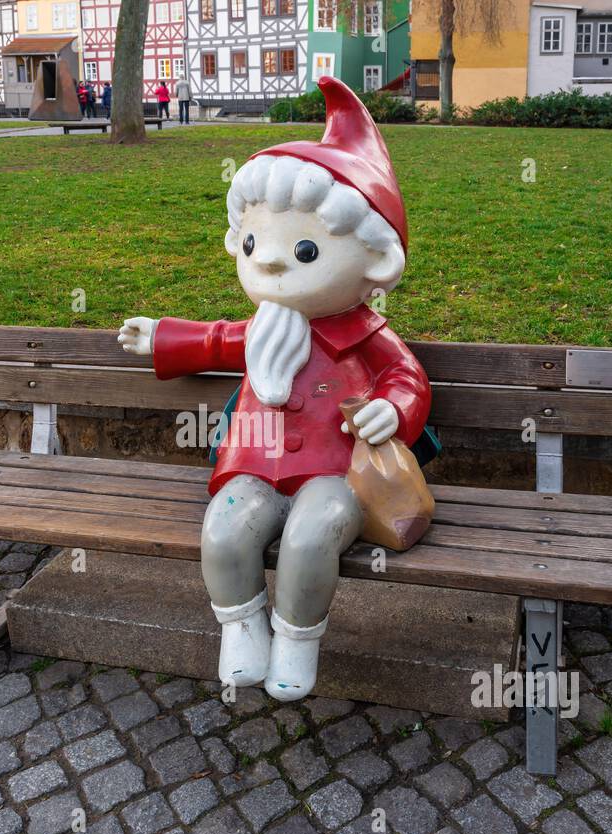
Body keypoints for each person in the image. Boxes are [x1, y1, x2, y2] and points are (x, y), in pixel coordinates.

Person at [117, 79, 429, 702]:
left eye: (306, 250)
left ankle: (297, 638)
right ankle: (240, 631)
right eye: (256, 244)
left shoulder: (363, 331)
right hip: (254, 466)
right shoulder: (267, 329)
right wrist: (159, 337)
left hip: (334, 474)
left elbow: (406, 376)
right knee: (226, 529)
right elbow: (215, 340)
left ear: (373, 260)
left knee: (314, 535)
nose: (272, 263)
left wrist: (391, 410)